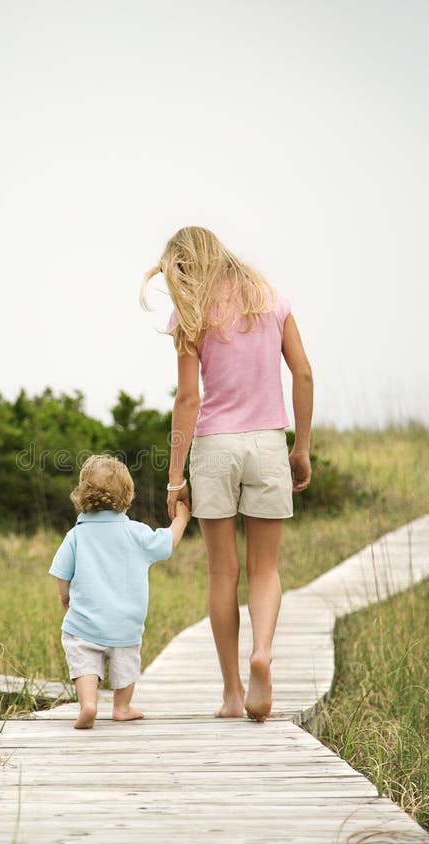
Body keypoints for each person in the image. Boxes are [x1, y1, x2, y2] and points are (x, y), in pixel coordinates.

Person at [141, 226, 313, 722]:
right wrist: (300, 447)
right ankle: (262, 651)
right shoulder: (271, 299)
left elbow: (187, 399)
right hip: (267, 444)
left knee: (223, 572)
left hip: (215, 447)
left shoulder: (190, 314)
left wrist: (175, 477)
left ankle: (233, 694)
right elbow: (303, 373)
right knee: (265, 569)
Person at [49, 454, 191, 729]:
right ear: (127, 495)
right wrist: (182, 518)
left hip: (85, 622)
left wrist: (64, 595)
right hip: (125, 625)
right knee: (126, 662)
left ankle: (88, 704)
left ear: (83, 494)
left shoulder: (76, 535)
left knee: (84, 659)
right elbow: (167, 542)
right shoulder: (136, 533)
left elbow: (61, 573)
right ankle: (122, 707)